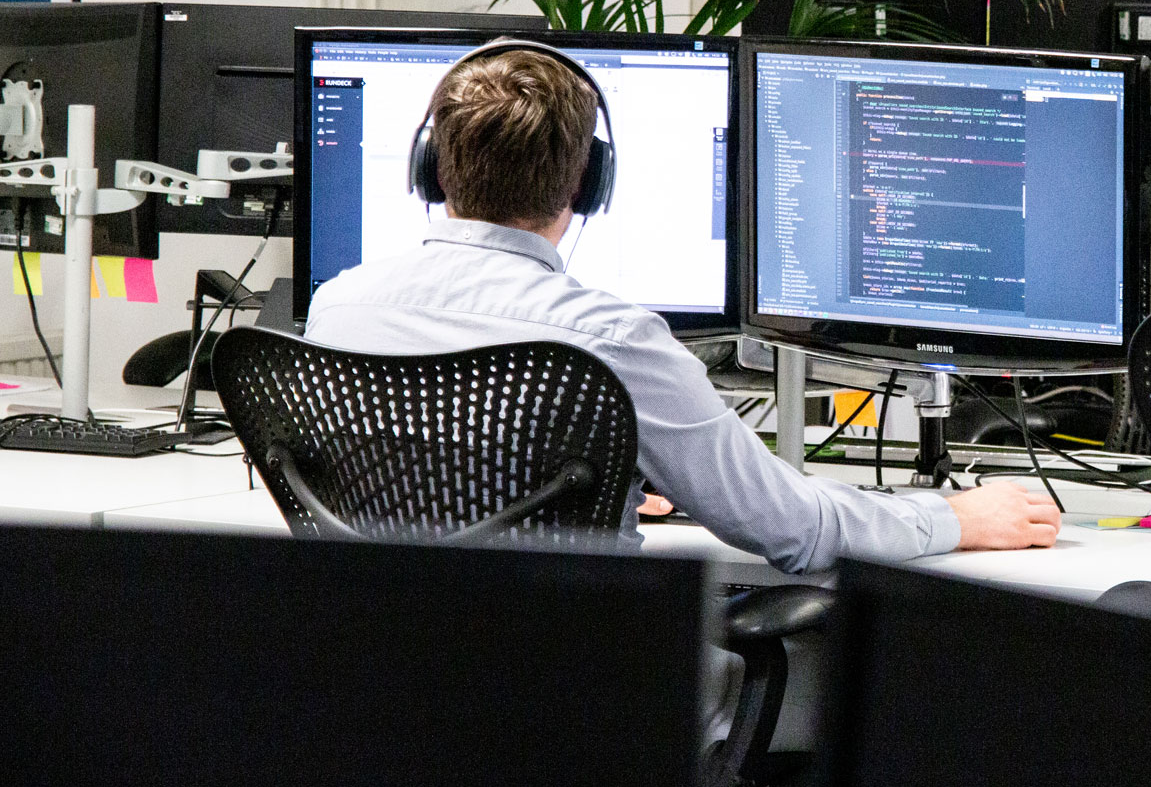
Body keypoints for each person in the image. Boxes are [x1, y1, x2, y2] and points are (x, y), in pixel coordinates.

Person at [304, 40, 1061, 572]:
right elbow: (795, 531)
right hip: (574, 709)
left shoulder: (336, 311)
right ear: (588, 183)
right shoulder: (611, 339)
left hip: (387, 701)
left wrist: (595, 482)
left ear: (433, 171)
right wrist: (954, 517)